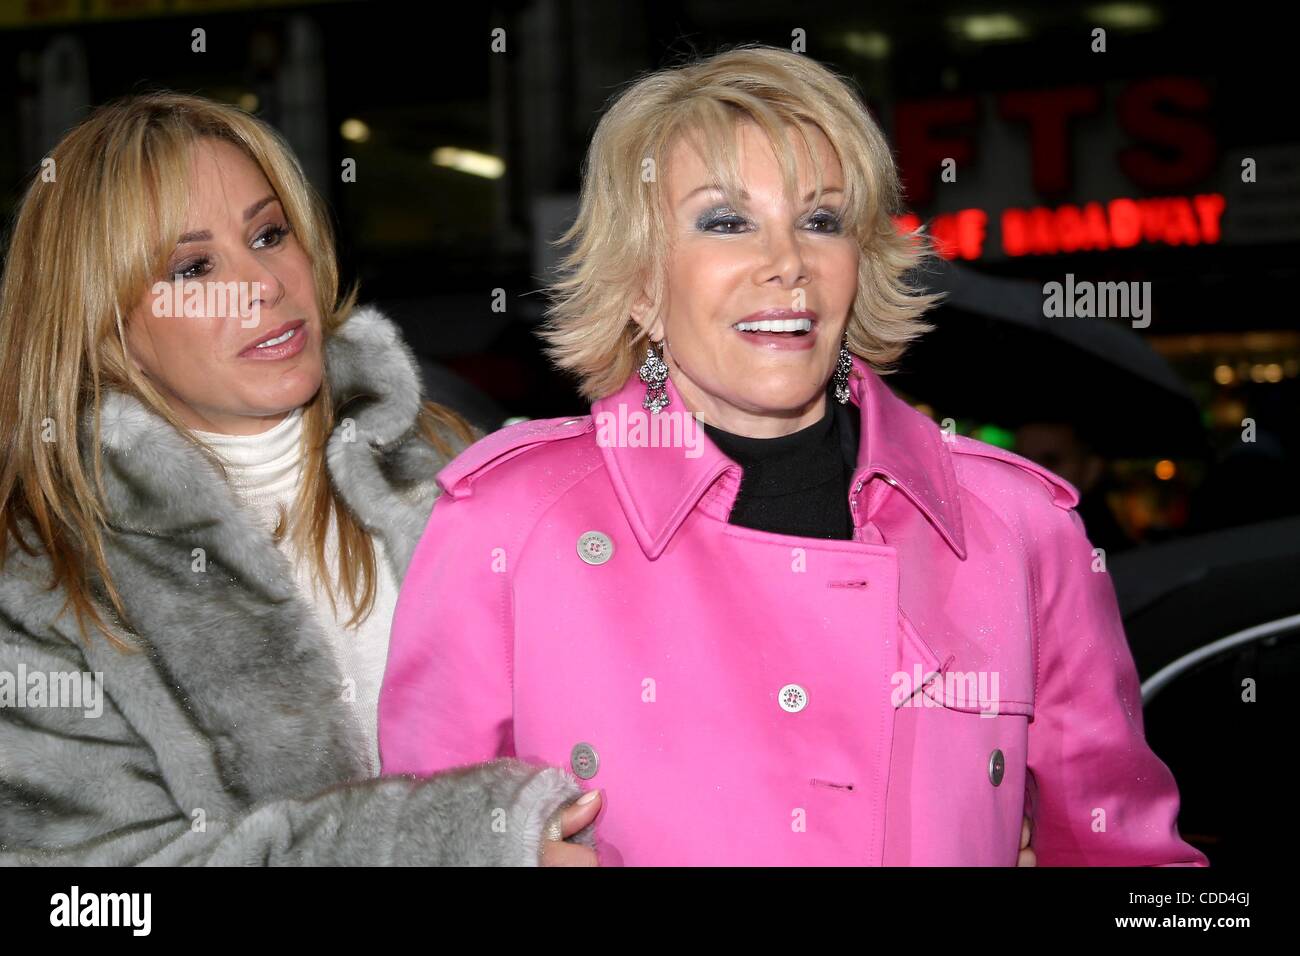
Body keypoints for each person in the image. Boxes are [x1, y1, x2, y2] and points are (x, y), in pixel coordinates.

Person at [378, 46, 1206, 866]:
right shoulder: (509, 522)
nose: (788, 264)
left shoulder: (1018, 528)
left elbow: (1135, 869)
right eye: (725, 221)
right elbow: (414, 839)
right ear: (639, 284)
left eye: (821, 220)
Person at [0, 93, 597, 865]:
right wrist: (475, 842)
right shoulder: (46, 582)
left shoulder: (451, 459)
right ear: (106, 331)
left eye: (269, 233)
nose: (263, 282)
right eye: (194, 267)